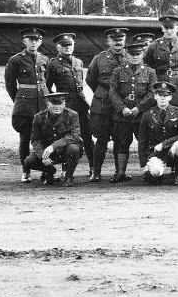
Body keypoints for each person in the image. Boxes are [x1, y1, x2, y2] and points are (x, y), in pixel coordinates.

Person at [107, 36, 158, 183]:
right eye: (132, 55)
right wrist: (122, 108)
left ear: (142, 55)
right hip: (123, 115)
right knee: (121, 143)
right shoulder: (118, 71)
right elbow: (112, 91)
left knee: (145, 142)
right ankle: (120, 173)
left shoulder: (150, 72)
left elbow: (152, 92)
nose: (135, 57)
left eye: (138, 54)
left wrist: (139, 107)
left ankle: (149, 171)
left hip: (141, 115)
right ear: (127, 55)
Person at [83, 27, 128, 181]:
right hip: (102, 104)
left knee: (120, 139)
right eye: (114, 40)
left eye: (121, 39)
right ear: (108, 41)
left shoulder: (130, 57)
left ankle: (119, 172)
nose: (118, 42)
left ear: (125, 40)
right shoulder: (99, 59)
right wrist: (106, 92)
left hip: (121, 105)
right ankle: (96, 172)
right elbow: (90, 79)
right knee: (101, 139)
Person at [44, 32, 92, 169]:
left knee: (87, 136)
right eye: (64, 46)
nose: (67, 48)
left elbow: (81, 85)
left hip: (80, 105)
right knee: (66, 138)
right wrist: (57, 102)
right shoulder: (53, 64)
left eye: (70, 45)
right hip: (66, 107)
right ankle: (65, 170)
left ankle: (93, 167)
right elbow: (46, 87)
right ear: (58, 47)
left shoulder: (78, 62)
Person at [24, 90, 85, 186]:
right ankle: (49, 172)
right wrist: (42, 156)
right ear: (48, 105)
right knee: (29, 161)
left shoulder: (72, 115)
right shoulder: (38, 118)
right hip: (47, 152)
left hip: (65, 150)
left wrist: (53, 146)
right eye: (54, 104)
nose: (57, 107)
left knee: (74, 149)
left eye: (60, 104)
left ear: (64, 104)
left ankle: (68, 177)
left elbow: (74, 136)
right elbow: (35, 139)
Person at [137, 81, 178, 184]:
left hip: (171, 150)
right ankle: (151, 171)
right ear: (155, 96)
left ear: (170, 97)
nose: (162, 98)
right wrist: (143, 161)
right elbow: (142, 139)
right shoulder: (148, 114)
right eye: (159, 95)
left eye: (166, 95)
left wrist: (163, 144)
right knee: (155, 173)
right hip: (155, 152)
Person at [145, 14, 178, 107]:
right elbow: (148, 69)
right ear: (162, 28)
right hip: (161, 85)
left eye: (172, 27)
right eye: (166, 28)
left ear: (177, 28)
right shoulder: (153, 46)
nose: (169, 31)